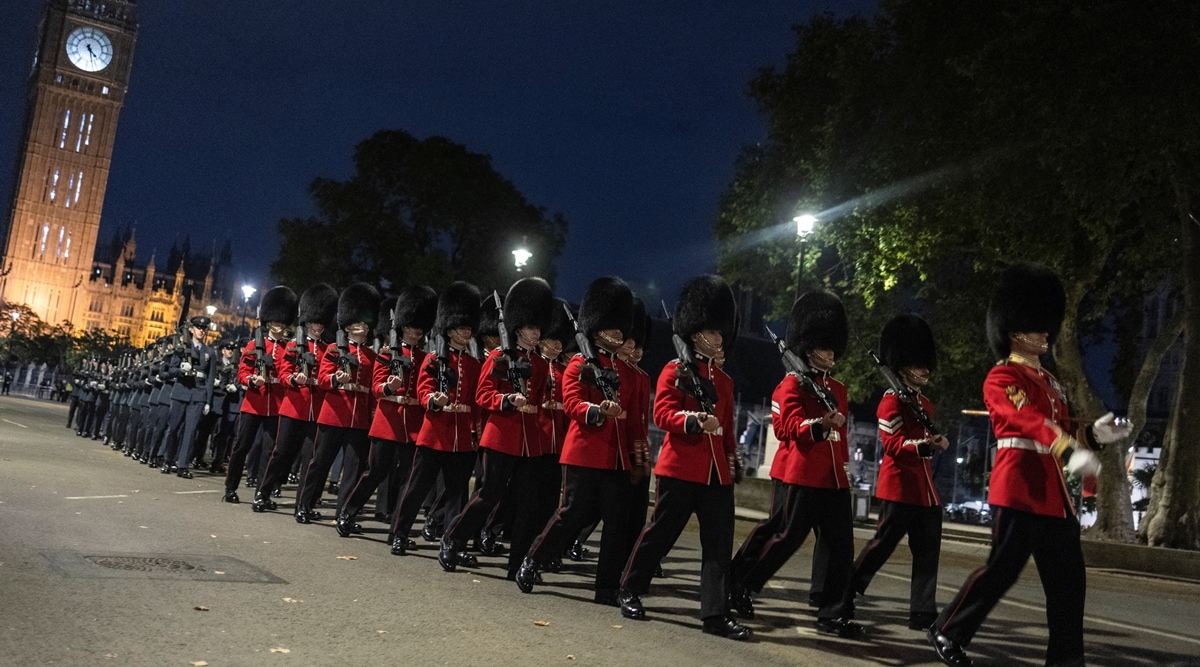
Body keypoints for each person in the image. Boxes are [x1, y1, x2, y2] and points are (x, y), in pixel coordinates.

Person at [928, 263, 1131, 667]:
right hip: (1018, 488)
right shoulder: (1001, 377)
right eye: (1037, 327)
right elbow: (1026, 422)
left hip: (1054, 496)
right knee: (1000, 572)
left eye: (1046, 326)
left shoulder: (1052, 383)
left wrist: (1095, 435)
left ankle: (1066, 660)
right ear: (1013, 331)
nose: (1045, 333)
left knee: (1070, 584)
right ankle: (948, 629)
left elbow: (1066, 427)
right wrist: (1069, 449)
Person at [618, 275, 749, 640]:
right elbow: (661, 415)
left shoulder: (723, 382)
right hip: (679, 469)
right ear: (694, 335)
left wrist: (731, 457)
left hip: (715, 476)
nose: (720, 339)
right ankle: (629, 587)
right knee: (660, 534)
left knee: (719, 546)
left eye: (722, 334)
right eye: (712, 333)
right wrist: (693, 421)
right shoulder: (674, 372)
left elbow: (726, 426)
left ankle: (715, 614)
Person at [729, 290, 863, 637]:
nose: (831, 353)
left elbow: (841, 437)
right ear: (807, 347)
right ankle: (743, 582)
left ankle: (833, 612)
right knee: (786, 537)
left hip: (833, 478)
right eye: (824, 346)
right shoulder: (790, 386)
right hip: (802, 474)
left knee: (841, 545)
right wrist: (819, 425)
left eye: (834, 346)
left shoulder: (838, 389)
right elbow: (787, 429)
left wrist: (844, 464)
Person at [514, 276, 638, 606]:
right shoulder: (579, 365)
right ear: (596, 329)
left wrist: (636, 455)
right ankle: (533, 559)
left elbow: (635, 419)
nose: (617, 335)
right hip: (584, 453)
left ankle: (607, 587)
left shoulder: (626, 372)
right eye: (611, 329)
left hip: (615, 458)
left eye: (619, 330)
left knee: (616, 523)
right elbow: (572, 404)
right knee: (571, 515)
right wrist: (597, 409)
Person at [438, 277, 554, 570]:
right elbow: (482, 394)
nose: (536, 332)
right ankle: (453, 538)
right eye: (531, 327)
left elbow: (537, 400)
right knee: (488, 495)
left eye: (538, 327)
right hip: (501, 435)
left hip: (529, 441)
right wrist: (505, 401)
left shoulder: (540, 365)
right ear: (518, 328)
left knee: (528, 502)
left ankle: (518, 563)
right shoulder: (499, 357)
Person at [846, 313, 948, 630]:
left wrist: (936, 442)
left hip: (924, 490)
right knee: (881, 546)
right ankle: (846, 590)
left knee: (928, 552)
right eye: (919, 365)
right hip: (899, 488)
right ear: (903, 366)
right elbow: (893, 445)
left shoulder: (925, 405)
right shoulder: (890, 402)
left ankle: (922, 610)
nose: (925, 370)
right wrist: (923, 446)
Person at [388, 281, 482, 557]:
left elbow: (475, 403)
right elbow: (423, 389)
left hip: (461, 437)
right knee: (417, 488)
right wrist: (433, 401)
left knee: (457, 494)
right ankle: (400, 532)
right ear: (451, 329)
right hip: (435, 432)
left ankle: (453, 543)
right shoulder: (433, 359)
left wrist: (476, 431)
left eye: (468, 327)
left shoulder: (474, 364)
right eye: (463, 328)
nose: (467, 332)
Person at [338, 285, 437, 533]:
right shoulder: (385, 353)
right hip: (388, 422)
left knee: (408, 479)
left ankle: (398, 529)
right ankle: (347, 513)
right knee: (374, 473)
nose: (416, 331)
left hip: (412, 425)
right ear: (402, 327)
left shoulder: (426, 357)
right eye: (412, 326)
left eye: (419, 327)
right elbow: (376, 388)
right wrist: (390, 388)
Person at [295, 282, 380, 523]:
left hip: (358, 418)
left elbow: (372, 390)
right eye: (358, 324)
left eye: (364, 324)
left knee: (352, 470)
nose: (362, 327)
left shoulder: (372, 356)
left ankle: (344, 513)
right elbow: (322, 379)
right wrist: (335, 378)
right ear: (348, 325)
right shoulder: (333, 349)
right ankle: (304, 504)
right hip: (334, 414)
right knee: (320, 463)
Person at [250, 283, 338, 512]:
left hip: (315, 409)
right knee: (280, 452)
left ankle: (303, 504)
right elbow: (283, 372)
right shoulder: (292, 346)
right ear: (307, 322)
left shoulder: (329, 349)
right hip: (293, 406)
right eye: (314, 323)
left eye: (321, 323)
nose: (318, 327)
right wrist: (295, 379)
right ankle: (262, 493)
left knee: (311, 458)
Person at [222, 286, 298, 503]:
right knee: (241, 447)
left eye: (282, 323)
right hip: (253, 403)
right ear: (268, 322)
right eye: (276, 322)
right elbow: (242, 372)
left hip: (275, 404)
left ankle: (261, 494)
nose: (279, 326)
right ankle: (230, 487)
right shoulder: (255, 345)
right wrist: (251, 380)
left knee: (269, 451)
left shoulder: (289, 348)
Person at [161, 316, 218, 479]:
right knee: (173, 428)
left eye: (204, 328)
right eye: (198, 328)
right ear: (192, 329)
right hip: (181, 391)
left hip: (198, 394)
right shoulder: (181, 348)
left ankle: (183, 465)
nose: (201, 331)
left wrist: (208, 401)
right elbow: (170, 371)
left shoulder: (209, 352)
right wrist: (181, 370)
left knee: (190, 431)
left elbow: (210, 378)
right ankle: (167, 460)